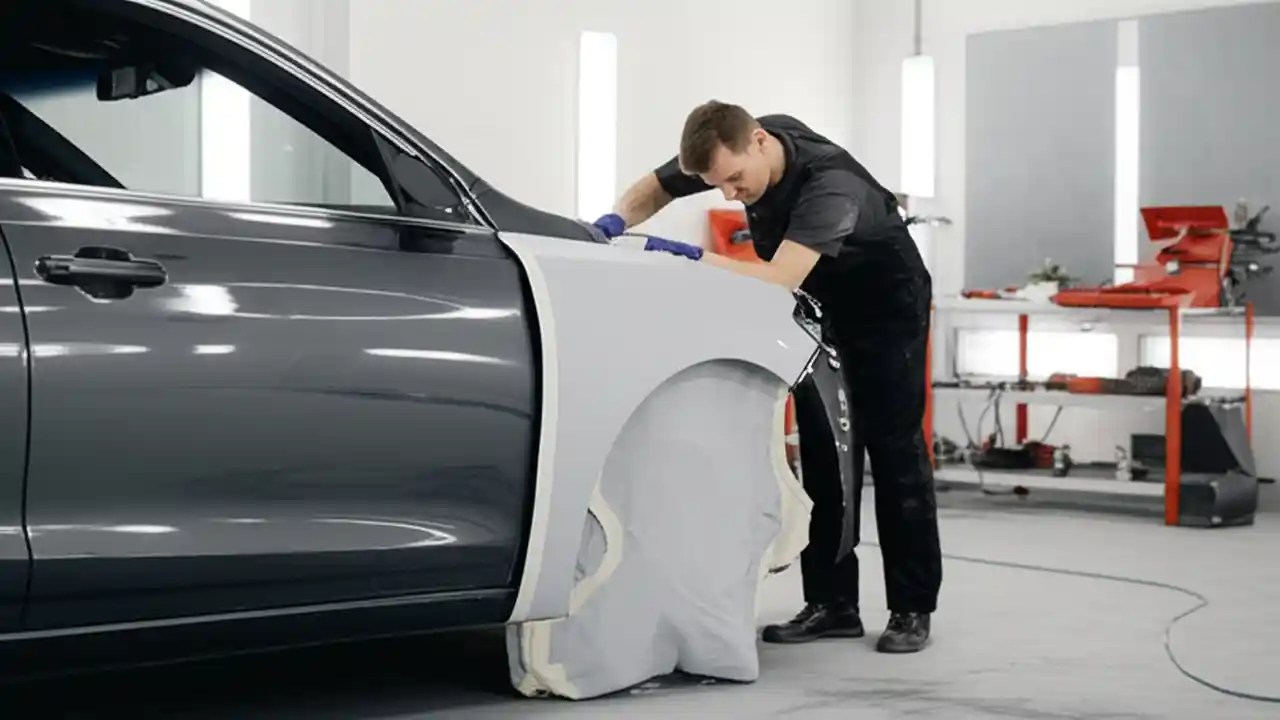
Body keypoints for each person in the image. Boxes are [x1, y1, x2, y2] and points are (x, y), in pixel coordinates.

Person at [590, 100, 942, 654]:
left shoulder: (832, 188)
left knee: (893, 451)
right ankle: (832, 604)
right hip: (821, 302)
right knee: (825, 451)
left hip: (885, 311)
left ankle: (912, 607)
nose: (729, 194)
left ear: (758, 142)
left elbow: (776, 278)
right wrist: (611, 222)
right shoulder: (733, 145)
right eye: (717, 185)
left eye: (734, 181)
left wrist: (687, 256)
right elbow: (658, 187)